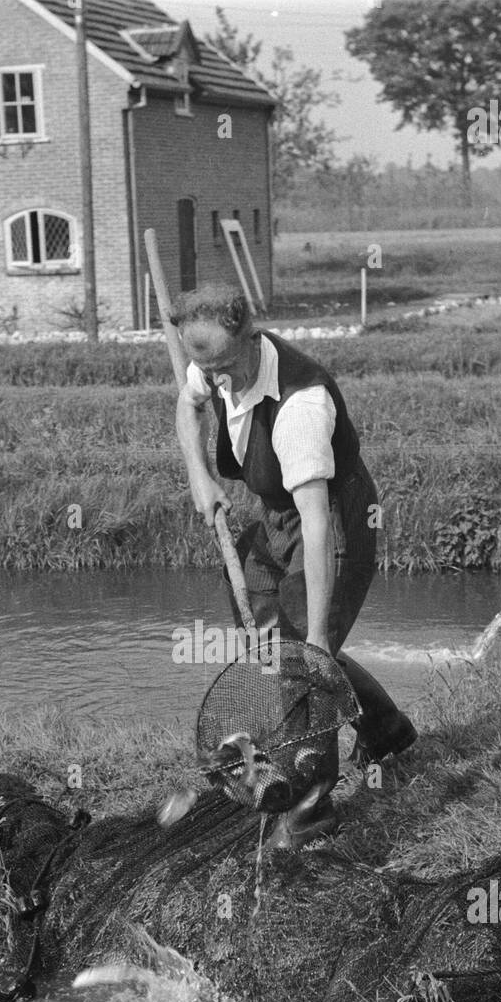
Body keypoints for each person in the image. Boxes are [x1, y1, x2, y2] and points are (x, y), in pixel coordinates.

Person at [172, 283, 416, 837]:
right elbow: (187, 405)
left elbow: (318, 526)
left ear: (251, 339)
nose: (217, 380)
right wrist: (200, 476)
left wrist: (320, 643)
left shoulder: (301, 405)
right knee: (271, 640)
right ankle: (387, 730)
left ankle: (311, 810)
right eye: (205, 368)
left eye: (226, 367)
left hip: (331, 516)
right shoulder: (211, 359)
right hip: (276, 512)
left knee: (304, 662)